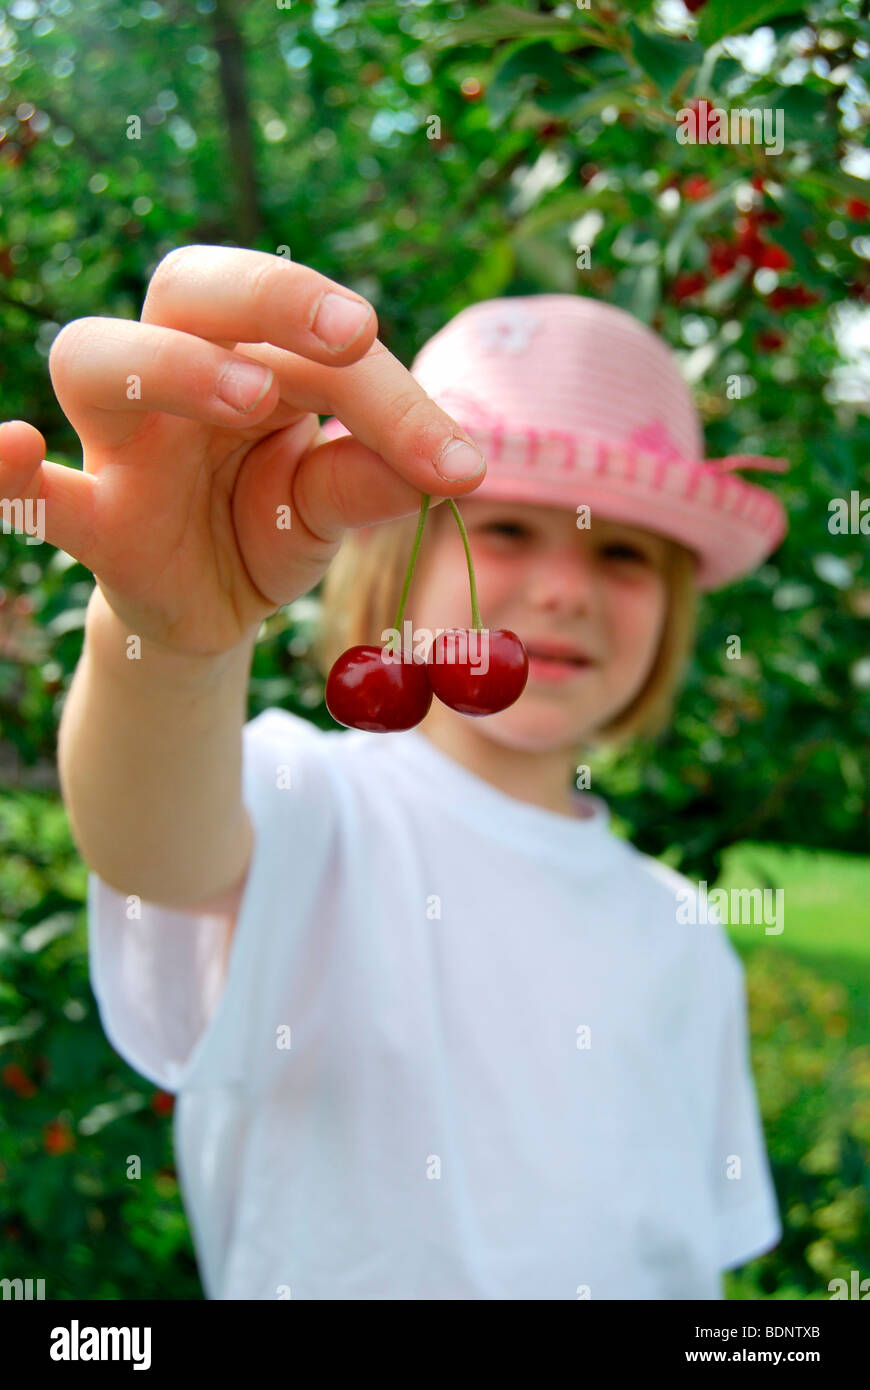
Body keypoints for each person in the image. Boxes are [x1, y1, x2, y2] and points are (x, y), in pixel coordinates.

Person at [6, 248, 785, 1298]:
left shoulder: (682, 933)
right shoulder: (315, 807)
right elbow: (159, 849)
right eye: (503, 528)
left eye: (622, 554)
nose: (561, 591)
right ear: (388, 562)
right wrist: (177, 653)